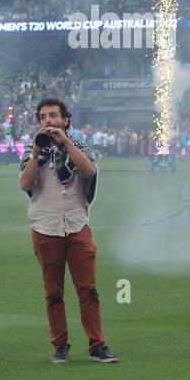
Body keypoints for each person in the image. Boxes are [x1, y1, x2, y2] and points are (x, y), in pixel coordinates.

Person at [19, 99, 119, 364]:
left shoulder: (79, 146)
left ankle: (97, 344)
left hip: (76, 225)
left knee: (88, 290)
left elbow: (88, 170)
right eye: (43, 117)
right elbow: (26, 184)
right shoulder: (33, 150)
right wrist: (36, 153)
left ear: (66, 120)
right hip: (45, 226)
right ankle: (60, 345)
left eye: (53, 115)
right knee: (53, 293)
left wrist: (66, 143)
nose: (48, 121)